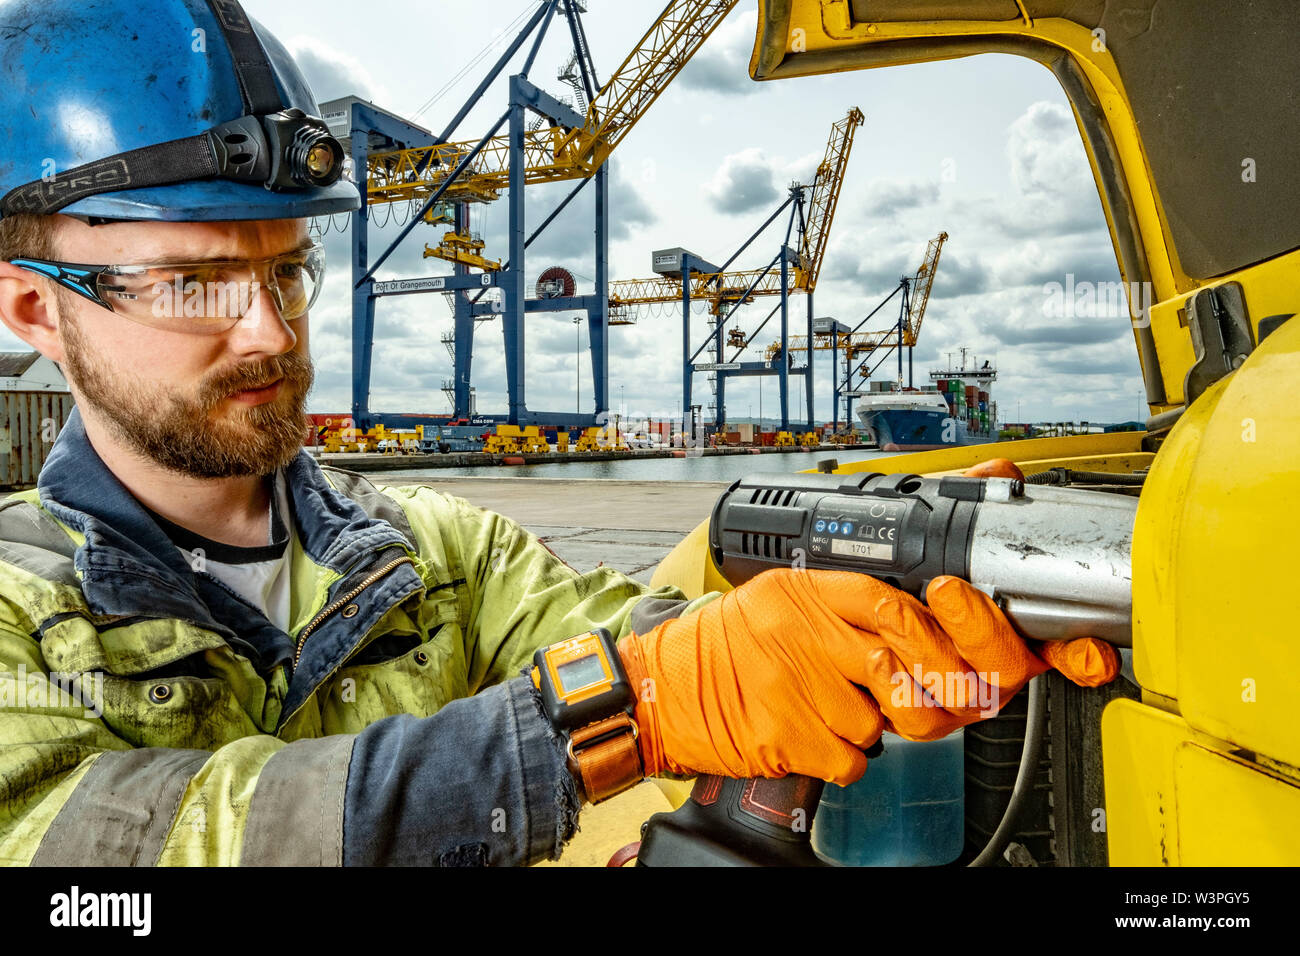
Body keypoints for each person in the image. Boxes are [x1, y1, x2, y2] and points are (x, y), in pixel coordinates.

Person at [0, 0, 1115, 867]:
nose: (271, 329)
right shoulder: (14, 607)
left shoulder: (425, 553)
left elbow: (672, 637)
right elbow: (102, 850)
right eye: (193, 283)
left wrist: (888, 599)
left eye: (290, 268)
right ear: (33, 308)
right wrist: (621, 705)